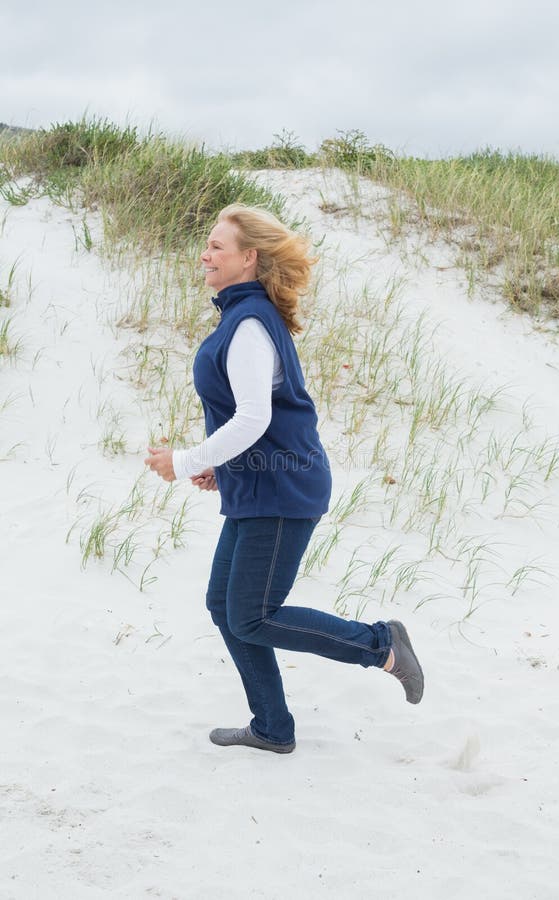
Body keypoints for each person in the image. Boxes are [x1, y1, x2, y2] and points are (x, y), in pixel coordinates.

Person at [144, 203, 424, 754]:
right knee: (225, 606)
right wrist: (222, 467)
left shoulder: (249, 324)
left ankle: (382, 645)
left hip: (282, 489)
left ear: (249, 258)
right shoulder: (243, 317)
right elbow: (253, 420)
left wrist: (185, 460)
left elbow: (254, 418)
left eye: (217, 246)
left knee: (252, 615)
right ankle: (272, 726)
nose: (205, 254)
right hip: (262, 486)